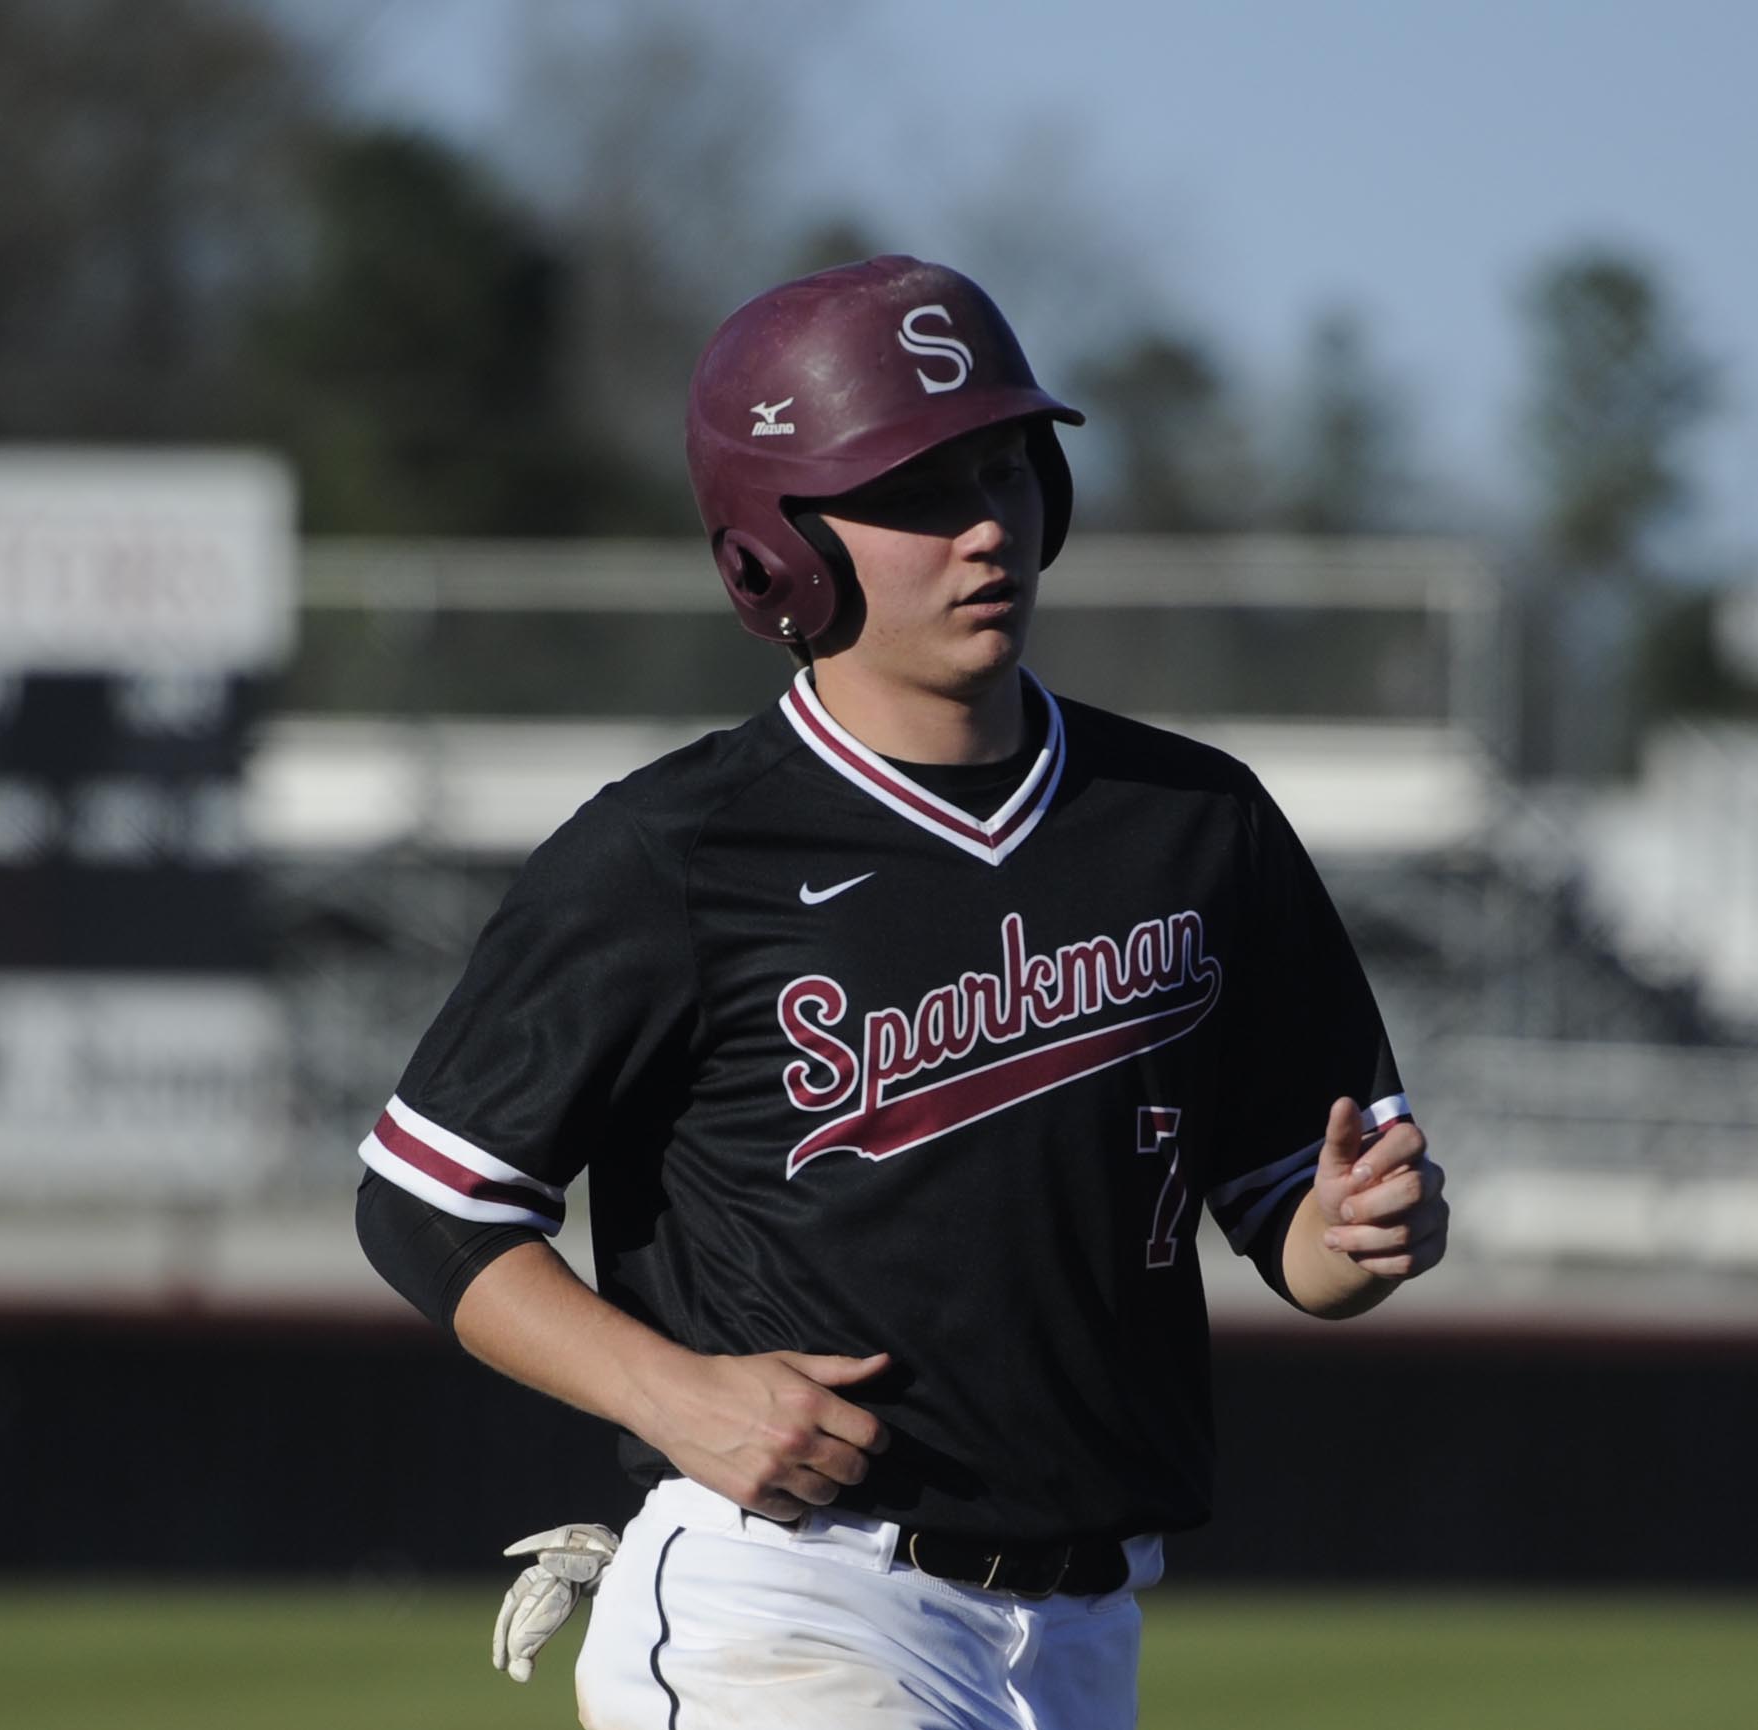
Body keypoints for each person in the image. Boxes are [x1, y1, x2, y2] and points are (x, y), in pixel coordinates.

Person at [355, 254, 1449, 1730]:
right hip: (789, 1598)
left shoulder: (1193, 821)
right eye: (920, 492)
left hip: (1082, 1632)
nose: (987, 525)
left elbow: (1298, 1236)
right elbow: (427, 1199)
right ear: (777, 549)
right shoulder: (676, 847)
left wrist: (1356, 1232)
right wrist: (670, 1391)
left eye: (1005, 466)